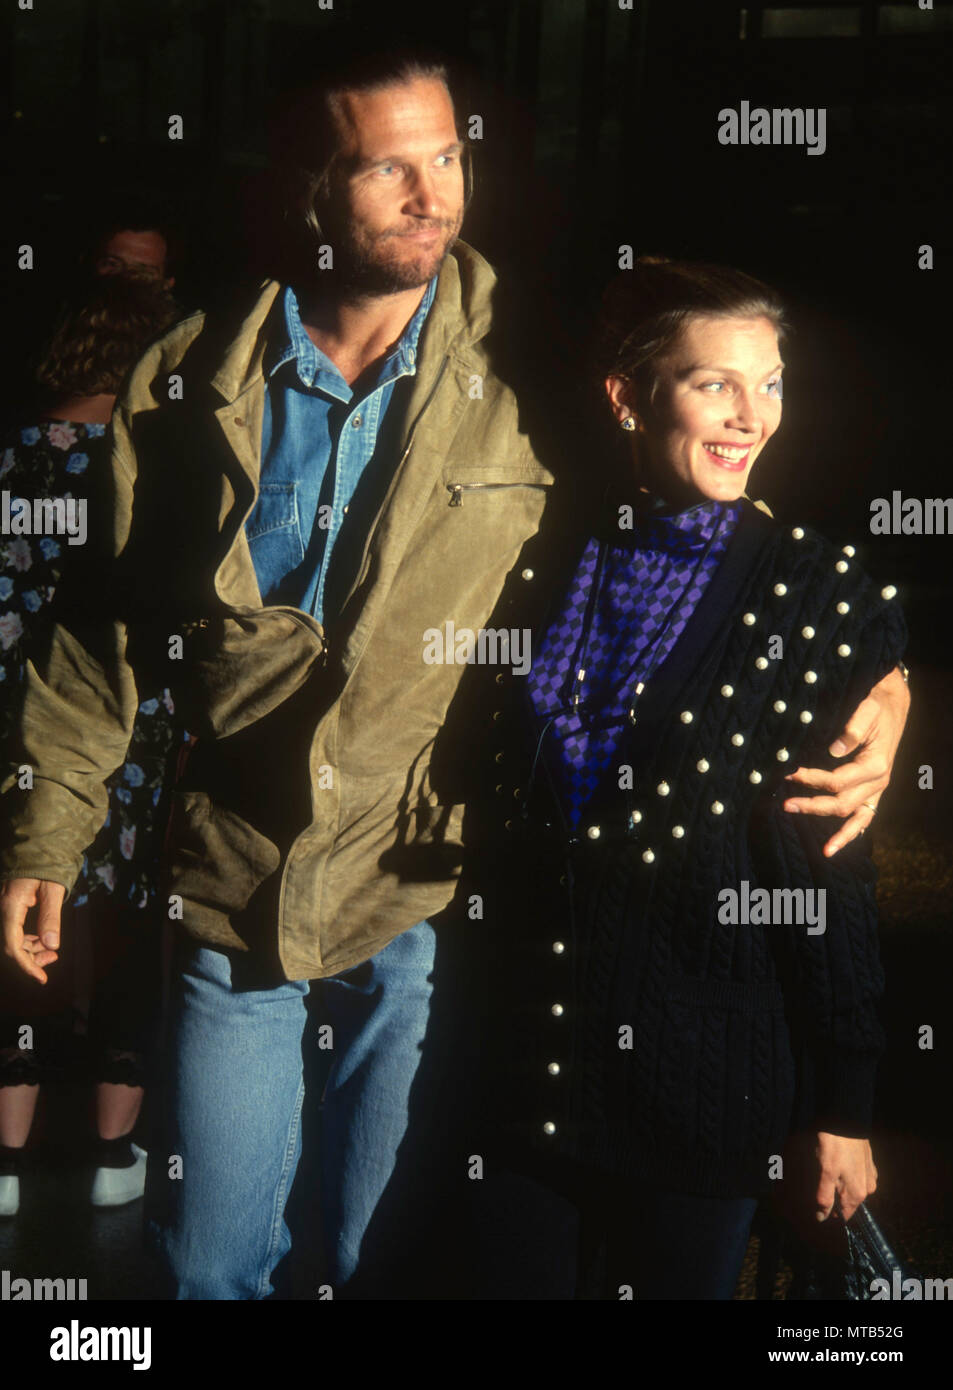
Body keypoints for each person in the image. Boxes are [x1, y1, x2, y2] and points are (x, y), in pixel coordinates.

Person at [0, 46, 909, 1299]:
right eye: (389, 165)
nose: (435, 193)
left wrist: (874, 669)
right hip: (234, 876)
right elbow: (95, 630)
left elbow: (723, 483)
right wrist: (45, 836)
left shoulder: (532, 372)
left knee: (384, 1255)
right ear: (310, 188)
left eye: (450, 156)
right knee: (206, 1262)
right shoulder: (184, 381)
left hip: (431, 899)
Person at [470, 256, 909, 1299]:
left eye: (769, 384)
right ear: (627, 396)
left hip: (704, 1097)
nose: (749, 415)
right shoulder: (544, 551)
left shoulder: (818, 597)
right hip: (520, 1078)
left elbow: (827, 873)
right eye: (713, 381)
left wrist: (841, 1106)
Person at [0, 274, 182, 1218]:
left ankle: (6, 1163)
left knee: (19, 939)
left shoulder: (13, 460)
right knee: (120, 937)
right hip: (134, 741)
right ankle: (115, 1156)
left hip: (12, 734)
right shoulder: (150, 467)